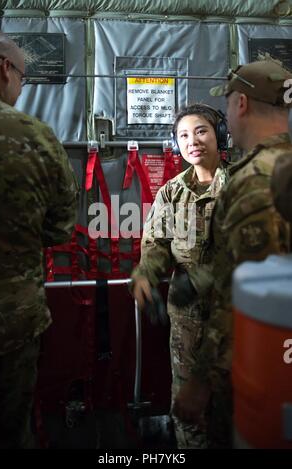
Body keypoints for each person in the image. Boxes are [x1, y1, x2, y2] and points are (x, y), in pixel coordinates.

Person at [182, 59, 292, 447]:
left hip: (259, 363)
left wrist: (200, 383)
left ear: (240, 103)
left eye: (227, 103)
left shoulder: (257, 178)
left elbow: (244, 294)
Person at [0, 28, 79, 448]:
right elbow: (61, 227)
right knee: (9, 429)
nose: (22, 89)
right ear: (5, 69)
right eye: (24, 79)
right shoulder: (36, 137)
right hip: (9, 321)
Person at [131, 103, 230, 449]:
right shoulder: (170, 193)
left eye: (201, 131)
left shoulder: (241, 188)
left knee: (234, 402)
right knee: (187, 404)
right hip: (185, 321)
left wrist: (204, 280)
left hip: (234, 317)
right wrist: (145, 274)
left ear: (220, 136)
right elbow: (156, 242)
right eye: (183, 135)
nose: (193, 141)